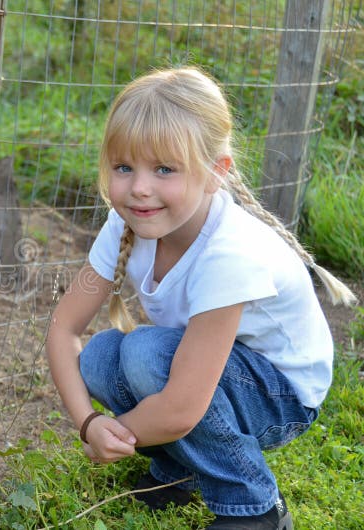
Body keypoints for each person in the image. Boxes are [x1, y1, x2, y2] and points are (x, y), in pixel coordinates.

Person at [45, 66, 357, 529]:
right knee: (100, 357)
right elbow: (63, 329)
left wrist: (115, 436)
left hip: (283, 396)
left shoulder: (228, 253)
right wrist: (88, 423)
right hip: (214, 371)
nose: (139, 188)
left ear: (215, 172)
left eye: (164, 169)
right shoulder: (126, 224)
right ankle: (180, 472)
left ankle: (255, 508)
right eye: (123, 167)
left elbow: (182, 408)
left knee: (146, 354)